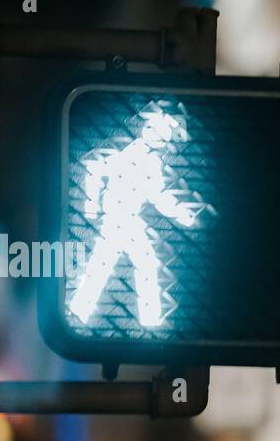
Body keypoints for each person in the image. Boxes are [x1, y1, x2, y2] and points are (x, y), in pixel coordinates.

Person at [68, 107, 208, 328]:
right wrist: (90, 206)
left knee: (116, 264)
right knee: (125, 264)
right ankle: (149, 320)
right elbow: (158, 197)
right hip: (121, 219)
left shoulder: (139, 154)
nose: (170, 141)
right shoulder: (142, 158)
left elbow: (97, 169)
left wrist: (92, 207)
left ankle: (82, 311)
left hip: (126, 220)